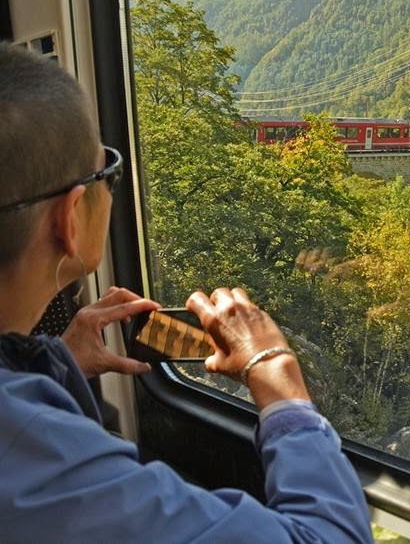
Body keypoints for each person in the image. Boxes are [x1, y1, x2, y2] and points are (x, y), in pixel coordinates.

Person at [0, 43, 372, 543]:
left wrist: (51, 360)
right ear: (70, 218)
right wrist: (275, 371)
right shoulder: (43, 469)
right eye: (107, 172)